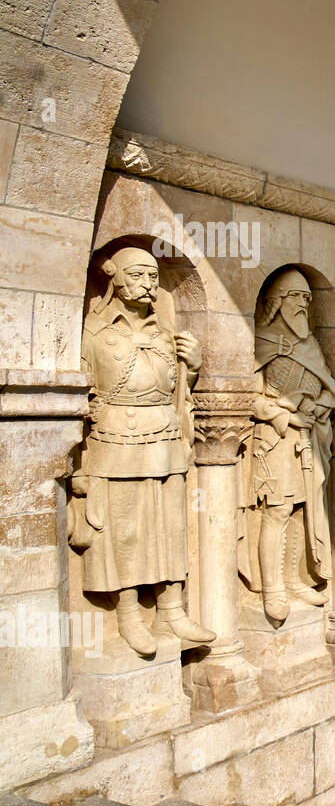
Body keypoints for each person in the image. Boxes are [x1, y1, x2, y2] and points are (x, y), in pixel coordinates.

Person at [70, 246, 215, 656]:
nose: (149, 284)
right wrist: (77, 463)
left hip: (163, 439)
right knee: (123, 531)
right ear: (116, 279)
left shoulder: (163, 332)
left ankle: (171, 609)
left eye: (154, 277)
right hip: (115, 441)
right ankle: (129, 614)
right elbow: (79, 398)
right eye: (139, 275)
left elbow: (176, 392)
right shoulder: (94, 333)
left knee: (170, 525)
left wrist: (195, 366)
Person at [239, 268, 335, 622]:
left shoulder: (310, 344)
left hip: (308, 438)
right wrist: (285, 416)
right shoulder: (260, 341)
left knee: (303, 508)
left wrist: (317, 407)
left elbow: (329, 388)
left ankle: (295, 580)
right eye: (297, 297)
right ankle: (273, 587)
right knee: (277, 511)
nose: (304, 304)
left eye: (308, 299)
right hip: (274, 441)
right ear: (279, 300)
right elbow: (247, 398)